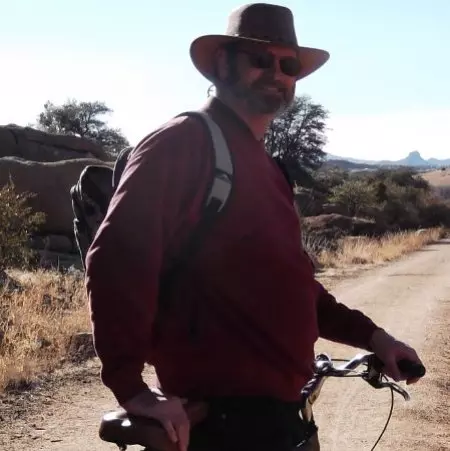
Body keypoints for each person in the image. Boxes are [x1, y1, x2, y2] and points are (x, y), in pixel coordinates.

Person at [85, 4, 424, 451]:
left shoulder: (268, 168)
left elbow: (295, 287)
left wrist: (376, 338)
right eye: (260, 59)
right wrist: (132, 389)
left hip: (281, 419)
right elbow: (115, 258)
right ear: (223, 63)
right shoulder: (184, 143)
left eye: (288, 65)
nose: (277, 73)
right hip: (224, 425)